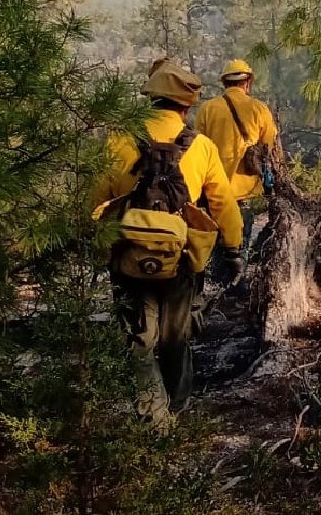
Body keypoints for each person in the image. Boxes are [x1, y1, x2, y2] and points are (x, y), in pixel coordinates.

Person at [93, 61, 243, 430]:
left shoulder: (119, 140)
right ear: (186, 106)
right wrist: (233, 249)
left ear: (151, 98)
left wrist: (98, 242)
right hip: (182, 258)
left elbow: (95, 198)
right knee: (177, 336)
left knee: (139, 338)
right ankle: (178, 410)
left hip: (129, 254)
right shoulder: (202, 147)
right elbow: (223, 203)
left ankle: (152, 418)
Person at [195, 58, 279, 250]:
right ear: (247, 82)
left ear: (224, 83)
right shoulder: (259, 109)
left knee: (215, 243)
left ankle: (217, 279)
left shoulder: (207, 109)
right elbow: (269, 145)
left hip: (213, 190)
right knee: (239, 244)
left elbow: (197, 147)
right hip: (245, 191)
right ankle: (235, 278)